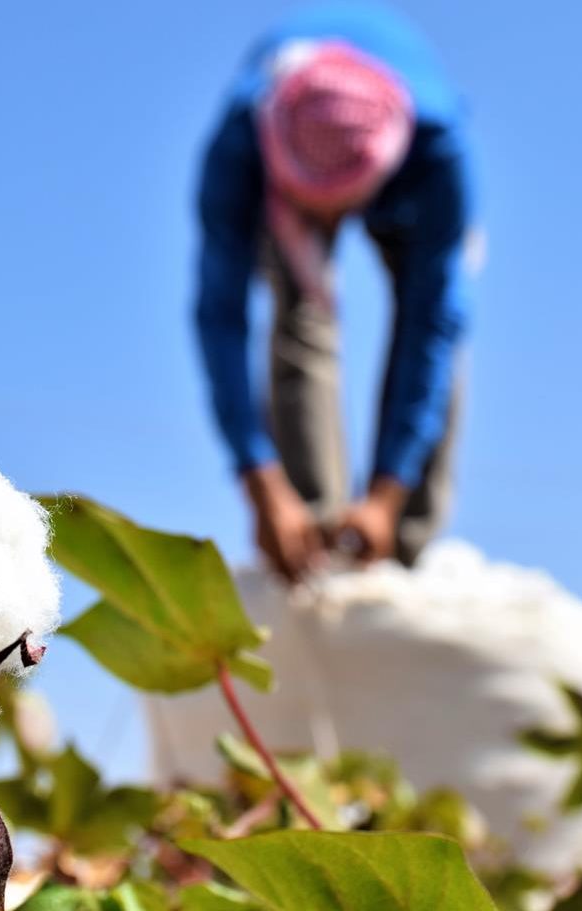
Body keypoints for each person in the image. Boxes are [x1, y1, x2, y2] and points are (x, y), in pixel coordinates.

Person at [193, 2, 480, 581]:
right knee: (299, 313)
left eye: (337, 214)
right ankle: (310, 537)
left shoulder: (440, 157)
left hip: (403, 173)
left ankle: (397, 547)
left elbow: (432, 330)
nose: (328, 233)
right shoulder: (242, 144)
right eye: (313, 216)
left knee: (435, 331)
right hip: (278, 166)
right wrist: (260, 480)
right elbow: (219, 316)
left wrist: (386, 493)